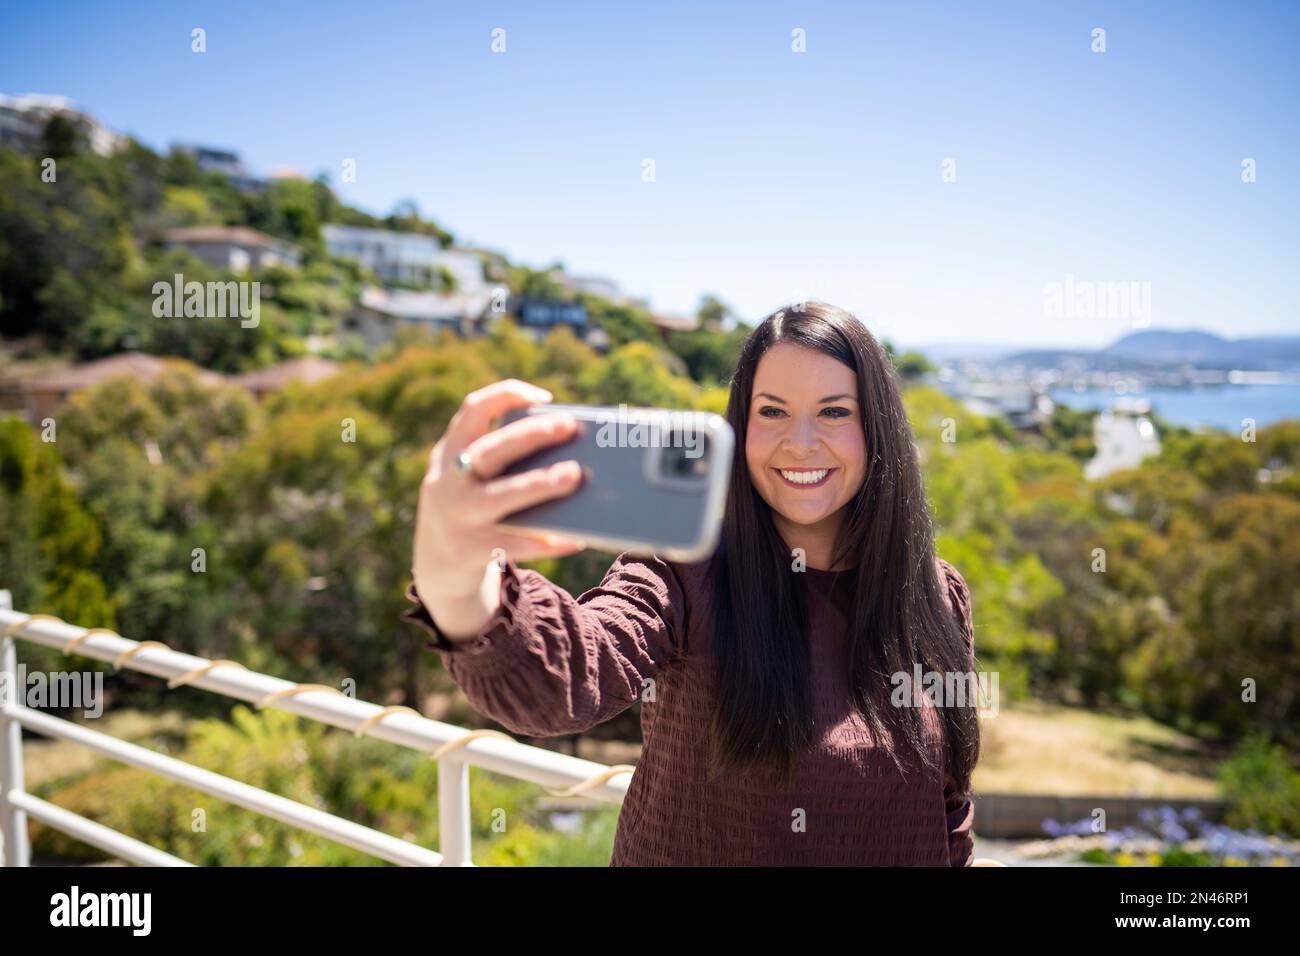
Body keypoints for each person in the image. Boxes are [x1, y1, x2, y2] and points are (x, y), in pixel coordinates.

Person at [403, 301, 980, 865]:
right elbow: (565, 680)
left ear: (878, 427)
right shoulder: (682, 569)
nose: (800, 443)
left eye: (834, 412)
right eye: (772, 412)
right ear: (740, 426)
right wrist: (455, 578)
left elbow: (948, 809)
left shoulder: (936, 594)